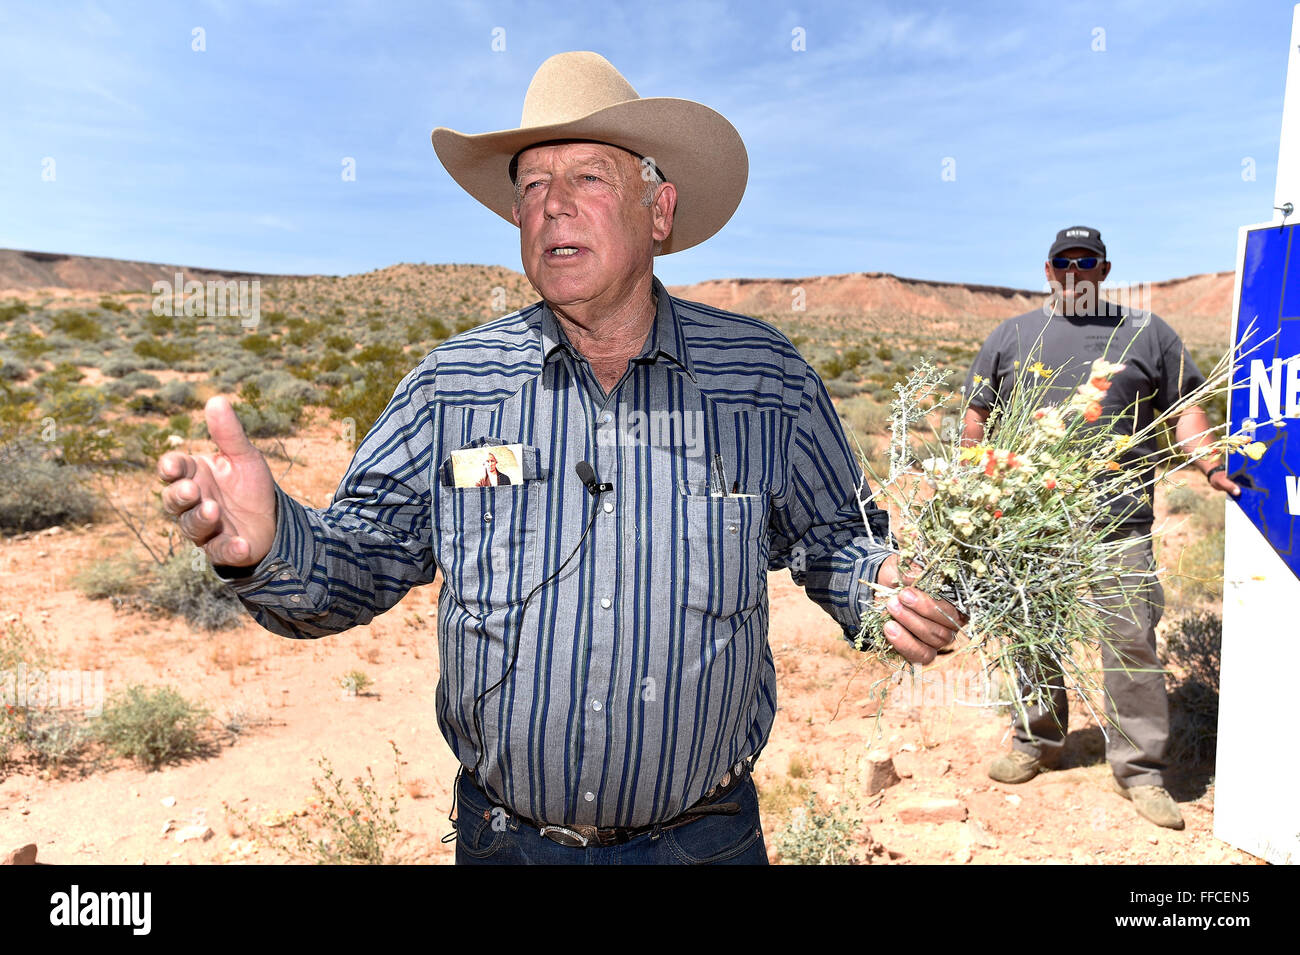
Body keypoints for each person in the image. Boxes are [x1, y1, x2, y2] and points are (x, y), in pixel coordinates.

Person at [156, 51, 960, 864]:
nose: (553, 208)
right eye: (533, 187)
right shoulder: (453, 387)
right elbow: (355, 559)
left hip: (702, 841)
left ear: (659, 209)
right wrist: (268, 546)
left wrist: (881, 587)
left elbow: (836, 540)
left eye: (588, 178)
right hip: (506, 840)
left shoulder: (762, 378)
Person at [963, 225, 1240, 831]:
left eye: (1086, 260)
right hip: (1028, 525)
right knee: (1028, 634)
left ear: (1104, 269)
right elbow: (976, 415)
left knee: (1131, 643)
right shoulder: (1012, 334)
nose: (1074, 270)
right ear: (1048, 269)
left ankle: (1140, 770)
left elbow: (1186, 407)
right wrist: (971, 481)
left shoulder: (1147, 333)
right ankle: (1036, 740)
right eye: (1064, 261)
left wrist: (1210, 461)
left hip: (1119, 522)